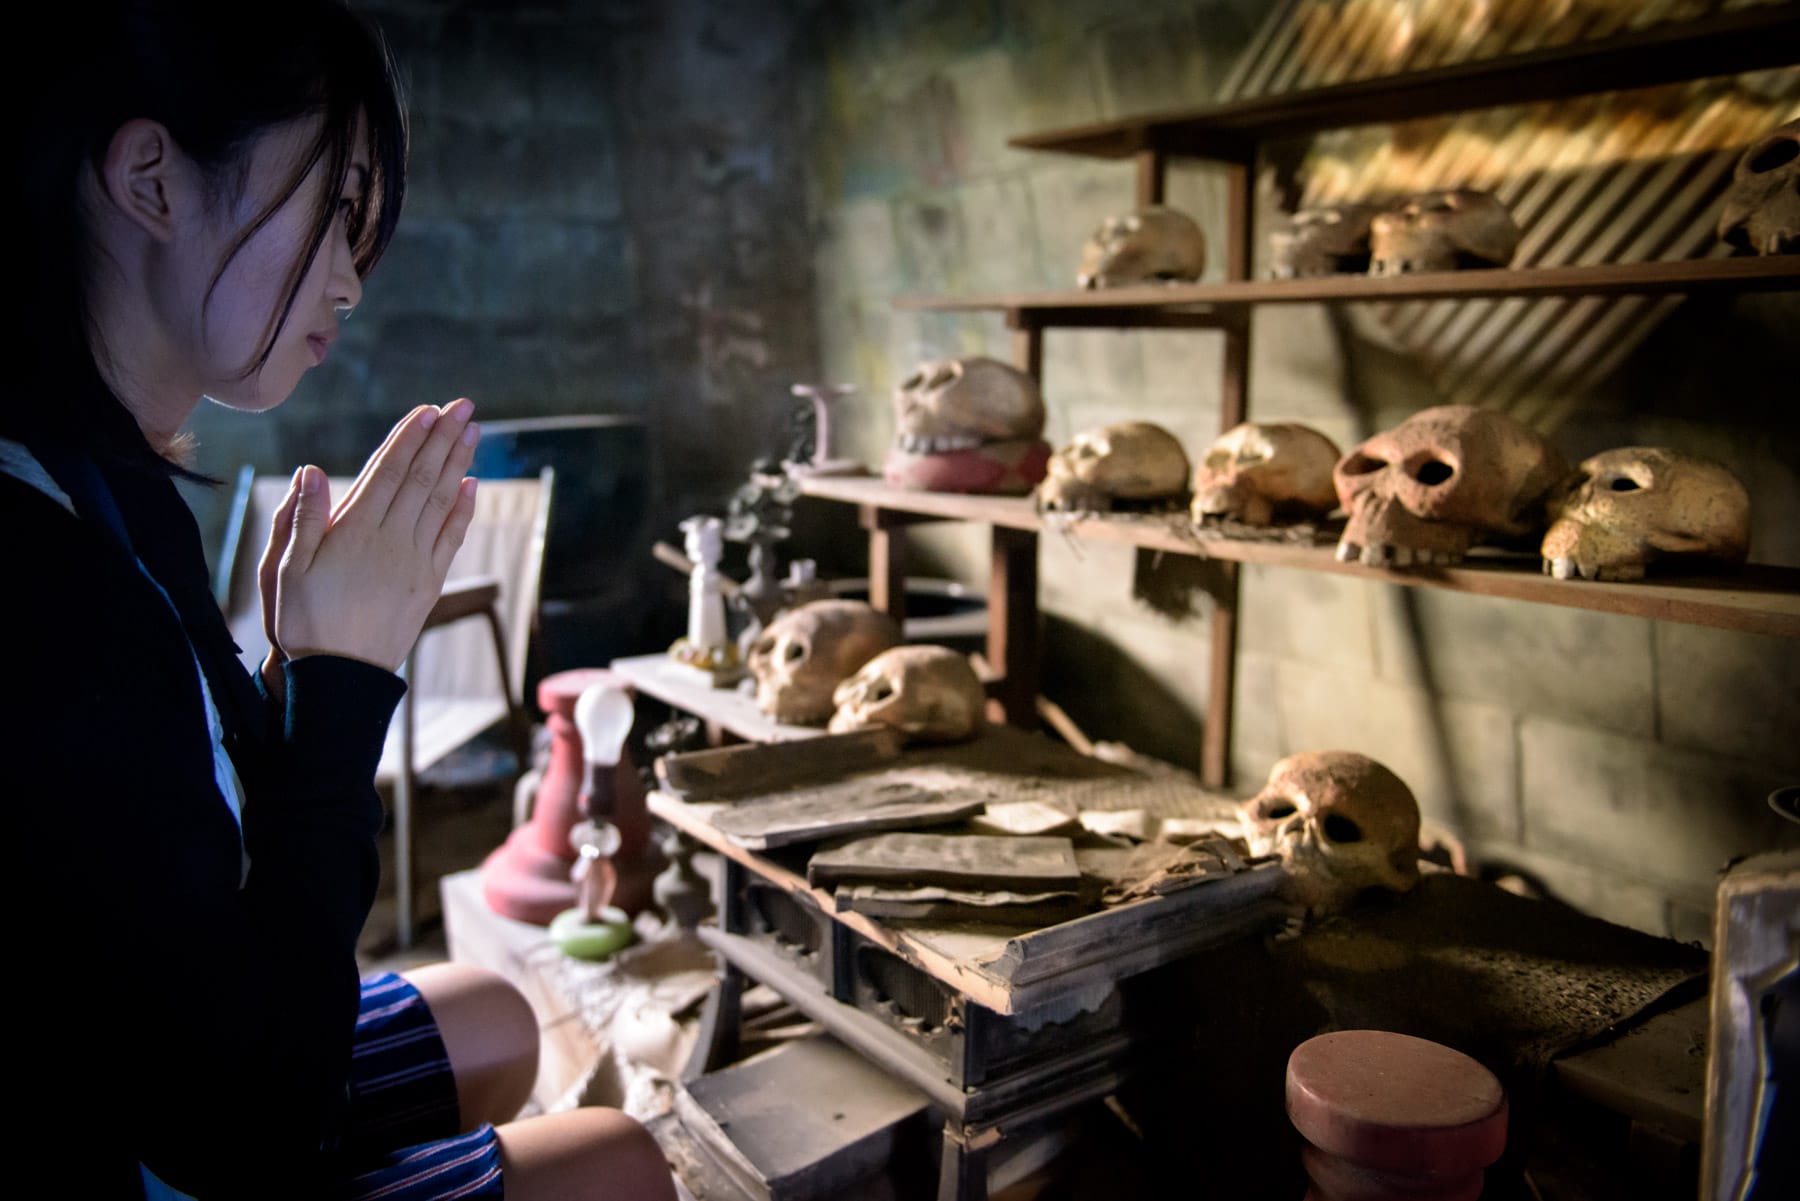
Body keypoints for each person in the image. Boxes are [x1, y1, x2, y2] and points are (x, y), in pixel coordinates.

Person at [7, 3, 676, 1198]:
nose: (353, 280)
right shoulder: (42, 577)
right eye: (336, 207)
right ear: (152, 178)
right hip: (169, 1139)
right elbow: (248, 1121)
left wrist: (277, 687)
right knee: (621, 1160)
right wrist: (343, 694)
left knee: (495, 1012)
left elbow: (160, 821)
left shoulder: (104, 472)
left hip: (170, 1046)